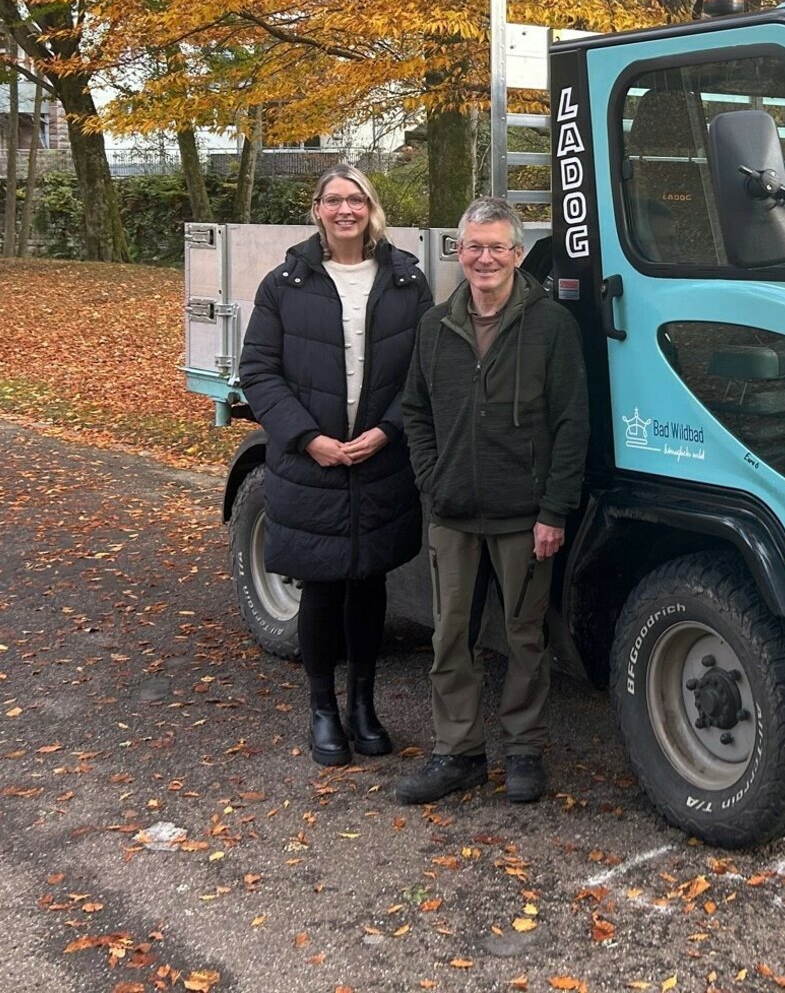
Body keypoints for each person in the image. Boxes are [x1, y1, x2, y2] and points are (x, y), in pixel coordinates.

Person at [238, 163, 432, 766]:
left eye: (355, 200)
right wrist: (306, 438)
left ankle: (363, 706)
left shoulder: (405, 280)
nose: (344, 210)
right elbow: (259, 373)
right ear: (317, 209)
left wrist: (385, 431)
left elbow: (424, 373)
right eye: (333, 200)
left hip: (378, 457)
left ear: (371, 208)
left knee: (369, 584)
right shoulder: (286, 283)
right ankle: (323, 710)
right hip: (311, 463)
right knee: (321, 587)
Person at [395, 197, 587, 805]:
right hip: (451, 514)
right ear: (458, 253)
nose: (484, 258)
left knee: (524, 637)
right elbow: (415, 412)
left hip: (523, 516)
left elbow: (571, 425)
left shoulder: (551, 325)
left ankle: (524, 750)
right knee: (450, 637)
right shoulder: (434, 327)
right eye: (473, 247)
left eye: (496, 247)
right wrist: (431, 478)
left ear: (518, 255)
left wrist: (553, 511)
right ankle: (459, 754)